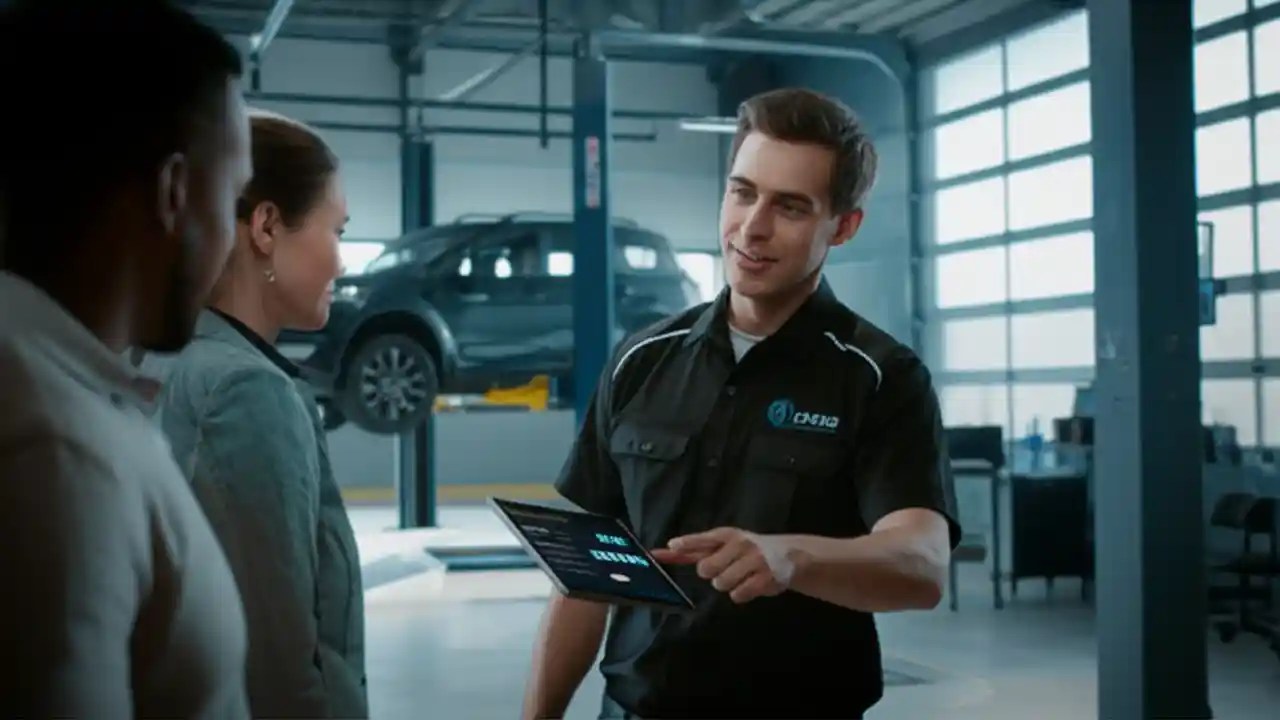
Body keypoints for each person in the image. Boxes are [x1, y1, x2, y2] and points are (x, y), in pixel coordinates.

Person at [521, 87, 961, 720]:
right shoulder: (642, 360)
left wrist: (792, 557)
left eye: (790, 206)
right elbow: (586, 580)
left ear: (843, 225)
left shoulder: (879, 378)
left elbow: (921, 566)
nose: (753, 227)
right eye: (742, 191)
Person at [0, 1, 254, 718]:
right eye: (231, 197)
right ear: (175, 191)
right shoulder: (53, 448)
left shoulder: (62, 388)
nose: (233, 240)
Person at [155, 109, 368, 719]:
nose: (343, 263)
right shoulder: (247, 391)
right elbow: (277, 666)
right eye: (339, 231)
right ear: (268, 227)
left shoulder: (168, 361)